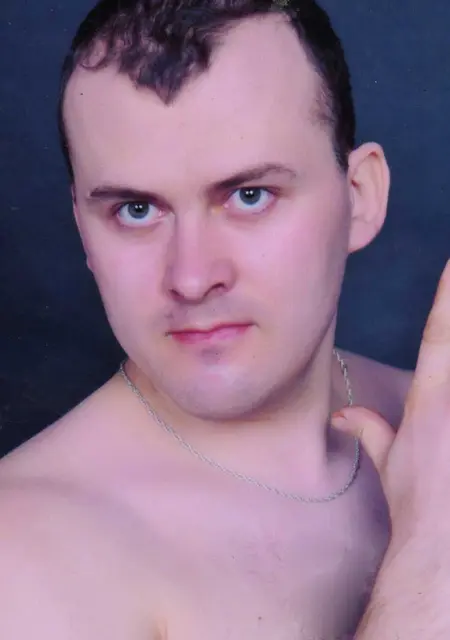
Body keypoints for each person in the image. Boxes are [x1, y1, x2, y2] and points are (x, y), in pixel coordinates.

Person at [0, 0, 431, 637]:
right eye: (136, 211)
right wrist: (426, 567)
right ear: (82, 228)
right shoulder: (23, 557)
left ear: (359, 197)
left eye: (249, 196)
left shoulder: (432, 425)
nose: (192, 278)